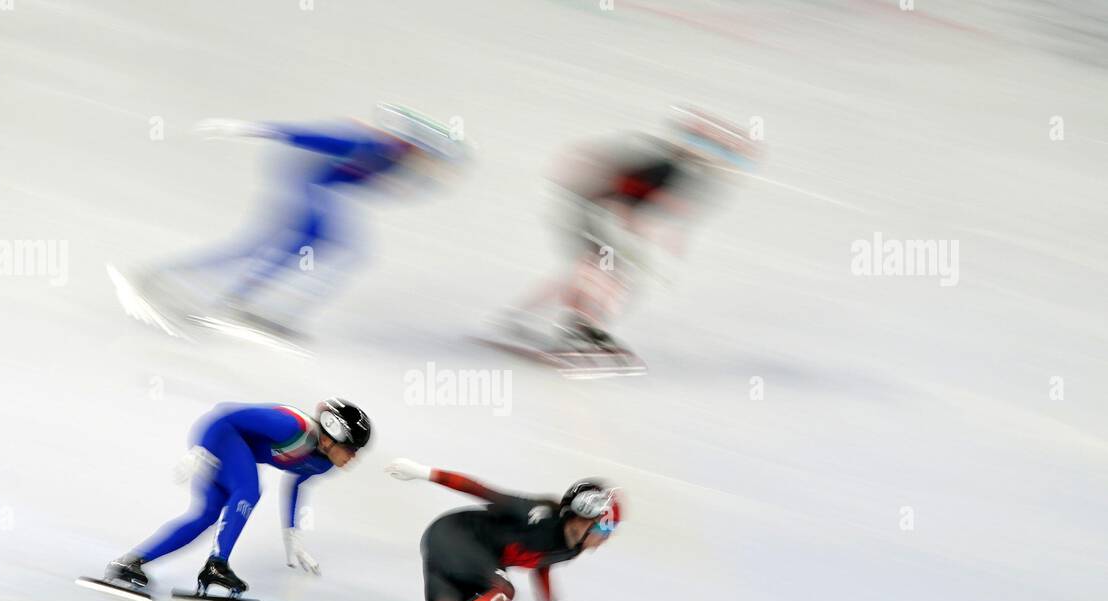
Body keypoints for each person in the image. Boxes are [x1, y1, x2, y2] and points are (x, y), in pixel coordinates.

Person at [161, 104, 465, 337]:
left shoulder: (402, 162)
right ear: (414, 147)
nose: (432, 167)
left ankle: (229, 298)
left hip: (318, 190)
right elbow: (304, 136)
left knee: (280, 247)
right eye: (432, 158)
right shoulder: (369, 144)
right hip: (303, 185)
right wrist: (244, 127)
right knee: (272, 246)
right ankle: (204, 290)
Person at [331, 460, 621, 601]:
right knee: (503, 591)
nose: (606, 538)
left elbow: (541, 564)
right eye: (604, 527)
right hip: (454, 536)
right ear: (582, 516)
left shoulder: (572, 548)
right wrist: (424, 473)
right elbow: (481, 490)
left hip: (464, 554)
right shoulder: (536, 514)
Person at [503, 105, 757, 353]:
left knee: (604, 273)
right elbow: (625, 190)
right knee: (604, 273)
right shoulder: (670, 167)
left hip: (593, 210)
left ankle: (556, 322)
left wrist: (650, 226)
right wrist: (632, 219)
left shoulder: (680, 167)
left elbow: (635, 194)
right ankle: (572, 327)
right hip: (591, 210)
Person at [101, 398, 371, 594]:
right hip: (219, 436)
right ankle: (217, 565)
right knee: (249, 491)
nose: (354, 457)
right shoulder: (292, 427)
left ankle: (131, 562)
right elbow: (224, 414)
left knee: (205, 516)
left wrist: (291, 532)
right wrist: (201, 449)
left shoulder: (323, 463)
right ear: (330, 438)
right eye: (352, 448)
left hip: (232, 453)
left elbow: (296, 484)